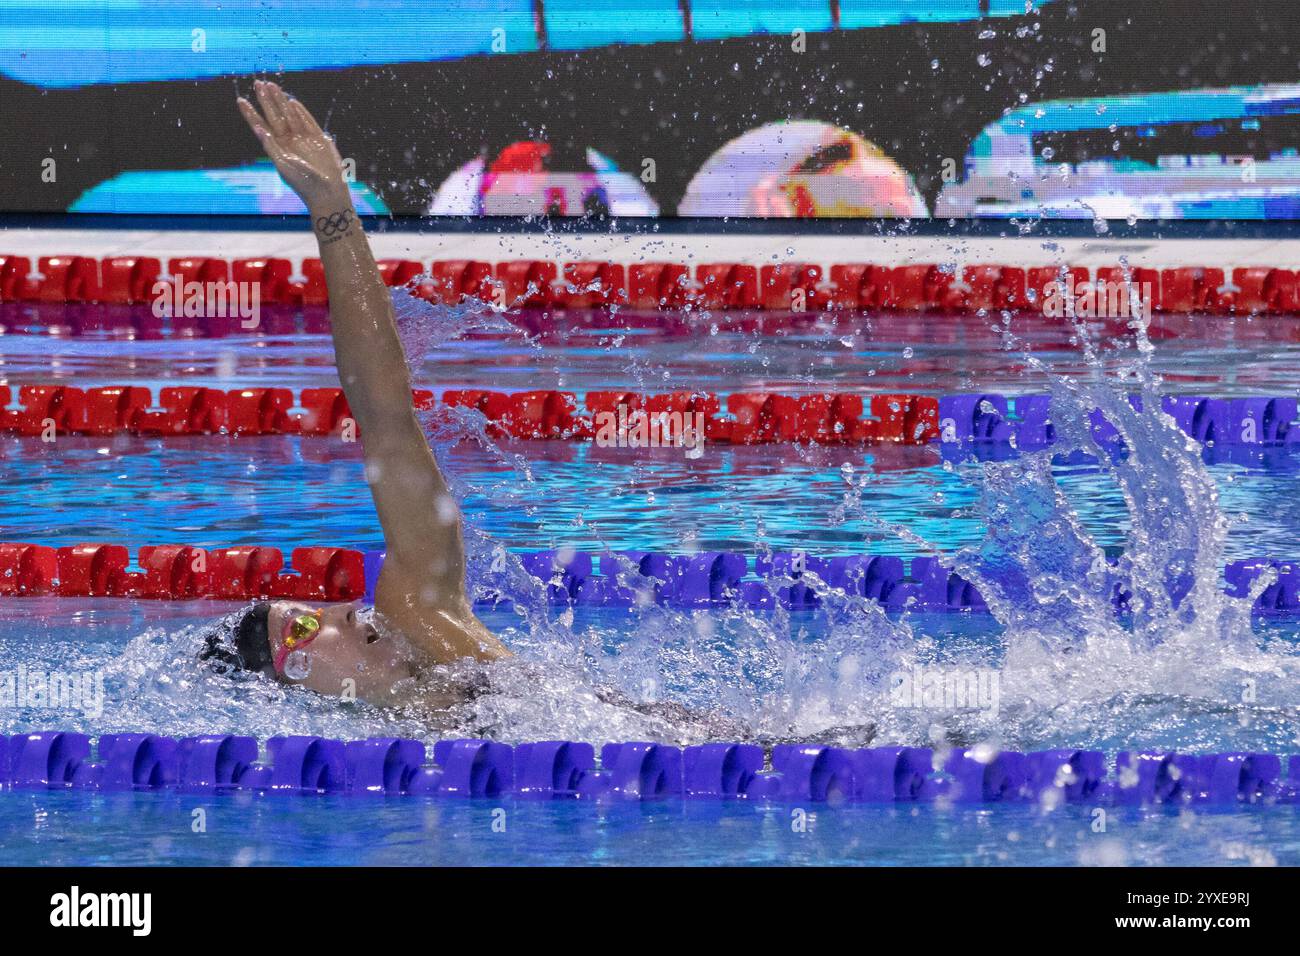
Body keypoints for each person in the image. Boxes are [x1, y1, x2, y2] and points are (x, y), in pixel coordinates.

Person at [200, 81, 509, 705]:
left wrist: (331, 208)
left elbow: (384, 410)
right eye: (303, 628)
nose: (343, 607)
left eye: (314, 610)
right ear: (289, 683)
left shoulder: (423, 620)